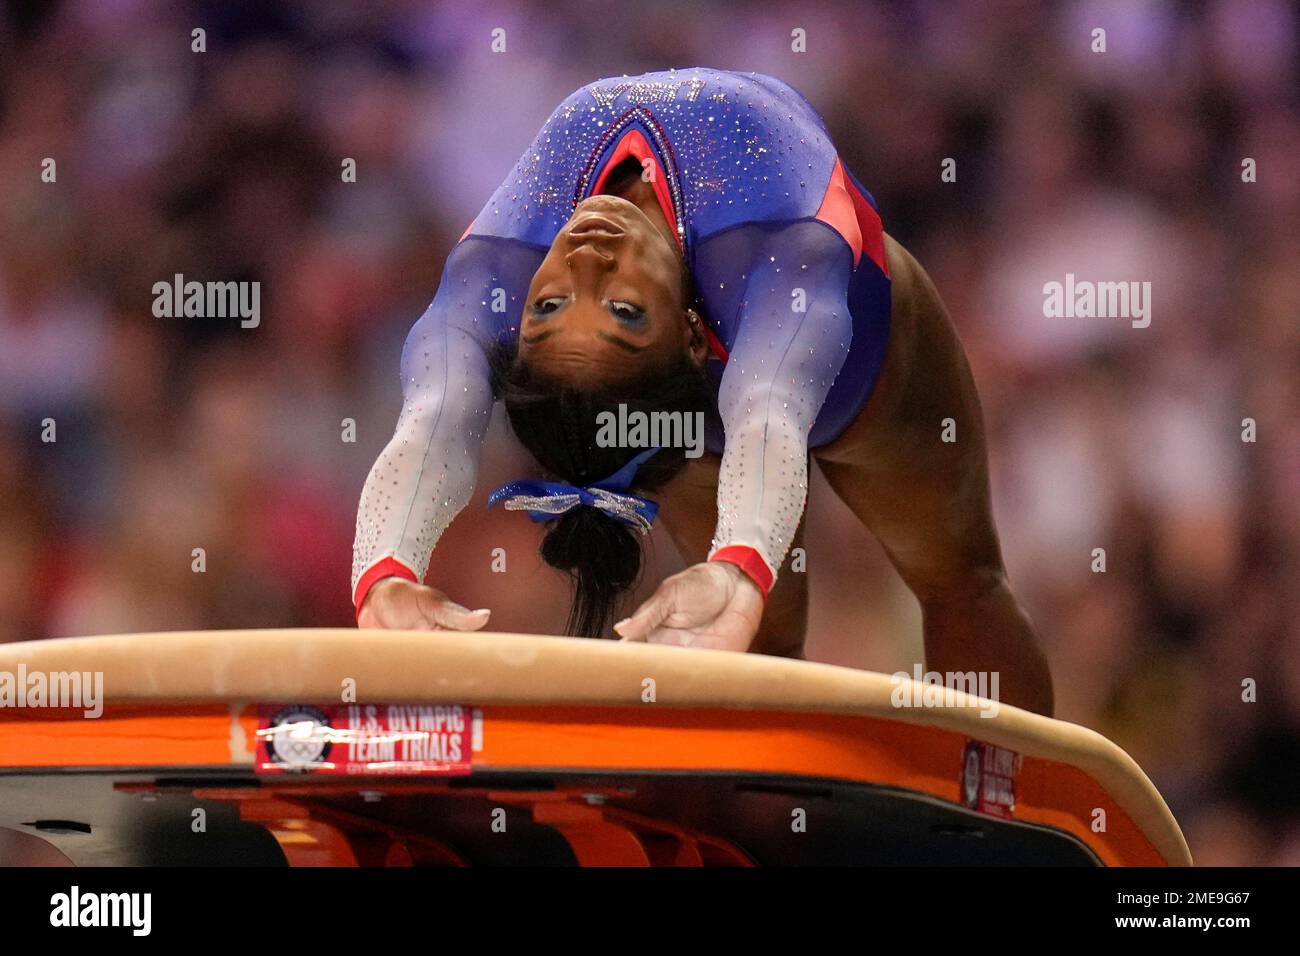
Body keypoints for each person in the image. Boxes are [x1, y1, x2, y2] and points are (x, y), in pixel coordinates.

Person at [351, 68, 1053, 716]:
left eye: (550, 307)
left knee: (959, 581)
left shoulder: (499, 266)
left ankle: (1011, 807)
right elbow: (767, 415)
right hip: (841, 378)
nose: (586, 263)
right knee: (756, 640)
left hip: (802, 366)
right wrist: (740, 567)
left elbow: (436, 416)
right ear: (691, 336)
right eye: (623, 312)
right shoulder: (774, 239)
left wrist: (383, 569)